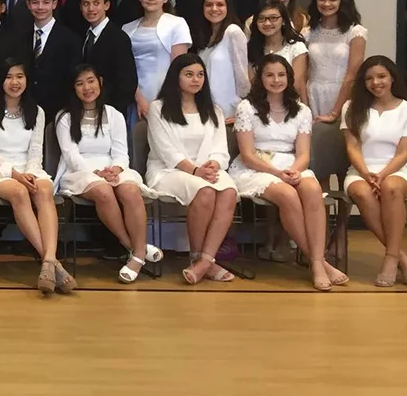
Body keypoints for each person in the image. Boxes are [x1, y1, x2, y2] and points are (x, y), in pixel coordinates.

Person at [232, 55, 344, 292]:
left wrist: (295, 170)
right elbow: (247, 154)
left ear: (289, 78)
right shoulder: (247, 108)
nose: (276, 80)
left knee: (313, 189)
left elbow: (303, 153)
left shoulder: (301, 110)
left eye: (281, 75)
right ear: (260, 78)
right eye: (269, 75)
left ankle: (316, 260)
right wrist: (277, 173)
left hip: (291, 164)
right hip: (257, 166)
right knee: (288, 195)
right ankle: (318, 263)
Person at [54, 65, 159, 283]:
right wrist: (96, 173)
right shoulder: (64, 118)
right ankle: (133, 248)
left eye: (90, 81)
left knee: (130, 190)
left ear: (100, 81)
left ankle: (137, 254)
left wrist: (116, 169)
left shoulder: (114, 114)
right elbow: (71, 154)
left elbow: (121, 152)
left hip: (111, 168)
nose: (87, 87)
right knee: (103, 192)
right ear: (73, 88)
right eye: (80, 83)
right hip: (80, 171)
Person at [0, 59, 70, 294]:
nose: (14, 82)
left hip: (29, 169)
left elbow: (36, 151)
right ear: (0, 80)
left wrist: (30, 173)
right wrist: (16, 175)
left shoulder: (36, 111)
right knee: (19, 192)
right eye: (9, 77)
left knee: (45, 189)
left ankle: (47, 263)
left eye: (19, 76)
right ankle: (53, 262)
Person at [144, 53, 240, 284]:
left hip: (207, 170)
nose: (195, 80)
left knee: (229, 192)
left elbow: (220, 148)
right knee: (204, 191)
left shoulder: (213, 110)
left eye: (200, 75)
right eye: (188, 74)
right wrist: (196, 171)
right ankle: (196, 257)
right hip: (169, 171)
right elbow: (166, 150)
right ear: (175, 77)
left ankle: (206, 261)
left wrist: (214, 164)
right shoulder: (159, 108)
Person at [342, 56, 407, 287]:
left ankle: (390, 258)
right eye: (369, 78)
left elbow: (403, 153)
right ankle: (401, 257)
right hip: (361, 170)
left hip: (398, 170)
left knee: (391, 187)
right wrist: (366, 174)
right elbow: (352, 147)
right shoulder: (351, 107)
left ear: (392, 78)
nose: (375, 82)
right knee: (361, 192)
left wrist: (383, 174)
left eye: (381, 76)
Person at [123, 0, 191, 119]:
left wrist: (166, 100)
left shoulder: (177, 24)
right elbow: (126, 68)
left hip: (166, 97)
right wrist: (139, 98)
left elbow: (179, 67)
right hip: (134, 96)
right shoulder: (127, 28)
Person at [304, 0, 367, 123]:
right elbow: (304, 72)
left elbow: (352, 74)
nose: (327, 4)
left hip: (342, 93)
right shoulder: (308, 32)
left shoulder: (356, 32)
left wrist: (335, 112)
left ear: (342, 1)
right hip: (313, 93)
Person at [20, 0, 79, 121]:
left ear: (54, 4)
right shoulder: (21, 37)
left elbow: (73, 79)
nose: (40, 7)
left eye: (46, 2)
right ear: (28, 5)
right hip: (26, 111)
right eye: (35, 2)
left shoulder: (70, 39)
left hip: (59, 113)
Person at [192, 0, 249, 120]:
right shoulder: (203, 37)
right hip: (205, 109)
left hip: (229, 111)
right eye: (209, 5)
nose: (214, 9)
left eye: (220, 4)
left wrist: (242, 110)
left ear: (228, 7)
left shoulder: (233, 32)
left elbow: (242, 76)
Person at [79, 0, 137, 116]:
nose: (91, 9)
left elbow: (127, 82)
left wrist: (111, 111)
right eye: (86, 4)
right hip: (86, 107)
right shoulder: (83, 35)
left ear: (106, 5)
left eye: (96, 3)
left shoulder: (118, 38)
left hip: (110, 111)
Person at [248, 0, 309, 104]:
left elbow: (296, 84)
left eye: (273, 18)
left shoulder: (296, 47)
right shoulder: (250, 49)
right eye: (261, 19)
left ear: (284, 20)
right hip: (260, 105)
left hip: (290, 105)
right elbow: (253, 85)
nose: (267, 23)